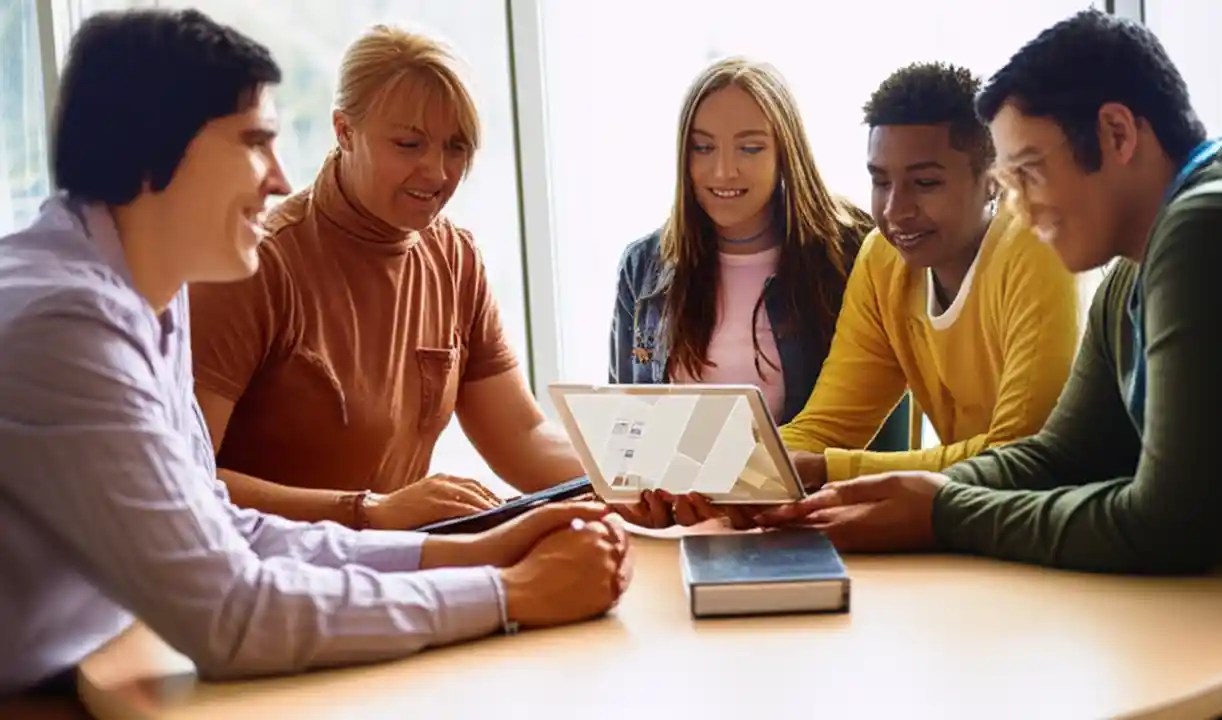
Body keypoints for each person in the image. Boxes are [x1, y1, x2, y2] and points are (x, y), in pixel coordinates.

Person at [0, 8, 630, 696]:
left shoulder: (144, 291)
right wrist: (509, 593)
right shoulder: (66, 327)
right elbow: (231, 615)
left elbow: (218, 523)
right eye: (254, 143)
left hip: (91, 669)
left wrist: (463, 552)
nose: (278, 177)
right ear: (158, 154)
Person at [757, 10, 1222, 577]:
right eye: (1009, 184)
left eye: (1029, 174)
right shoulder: (1134, 271)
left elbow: (1170, 525)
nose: (1021, 211)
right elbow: (1060, 457)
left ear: (1117, 134)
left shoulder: (1213, 226)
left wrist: (943, 511)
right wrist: (896, 492)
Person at [189, 25, 585, 532]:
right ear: (344, 131)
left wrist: (634, 482)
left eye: (456, 148)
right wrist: (365, 510)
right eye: (409, 144)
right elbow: (182, 480)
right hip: (264, 577)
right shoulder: (255, 266)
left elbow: (525, 437)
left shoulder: (455, 257)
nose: (438, 172)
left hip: (391, 569)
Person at [656, 62, 1082, 528]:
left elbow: (1021, 454)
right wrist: (715, 478)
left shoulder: (1036, 245)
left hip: (1068, 529)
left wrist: (828, 470)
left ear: (995, 180)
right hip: (980, 526)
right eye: (881, 181)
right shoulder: (883, 258)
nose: (896, 210)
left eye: (925, 183)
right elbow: (827, 425)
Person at [609, 57, 908, 528]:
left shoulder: (851, 252)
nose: (723, 171)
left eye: (749, 148)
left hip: (816, 523)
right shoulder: (643, 267)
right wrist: (639, 495)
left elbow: (882, 428)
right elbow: (627, 428)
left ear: (785, 152)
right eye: (703, 148)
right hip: (688, 529)